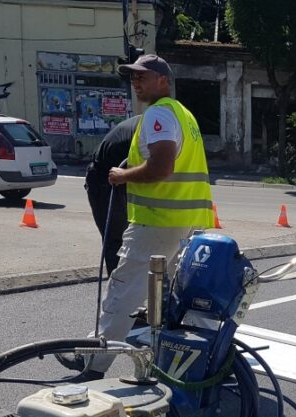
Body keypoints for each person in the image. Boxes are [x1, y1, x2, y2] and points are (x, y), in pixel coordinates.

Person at [63, 54, 212, 381]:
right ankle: (182, 364)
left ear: (163, 80)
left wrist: (122, 175)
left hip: (157, 222)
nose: (135, 82)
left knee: (124, 291)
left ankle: (93, 364)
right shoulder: (184, 114)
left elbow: (161, 167)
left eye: (142, 76)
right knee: (171, 297)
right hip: (185, 222)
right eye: (132, 77)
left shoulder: (159, 114)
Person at [85, 114, 140, 276]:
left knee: (130, 236)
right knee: (116, 237)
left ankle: (126, 281)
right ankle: (116, 283)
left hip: (120, 175)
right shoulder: (153, 128)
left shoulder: (154, 123)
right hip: (104, 177)